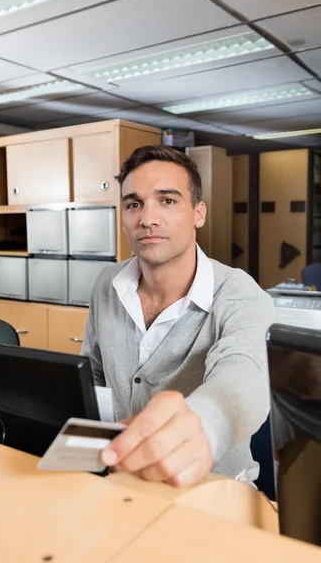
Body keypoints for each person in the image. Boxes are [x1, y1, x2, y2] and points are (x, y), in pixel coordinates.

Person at [81, 144, 275, 487]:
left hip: (213, 488)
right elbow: (93, 374)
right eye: (133, 204)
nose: (147, 218)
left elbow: (245, 377)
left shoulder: (239, 293)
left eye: (167, 200)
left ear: (198, 213)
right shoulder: (106, 284)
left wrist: (203, 424)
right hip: (120, 479)